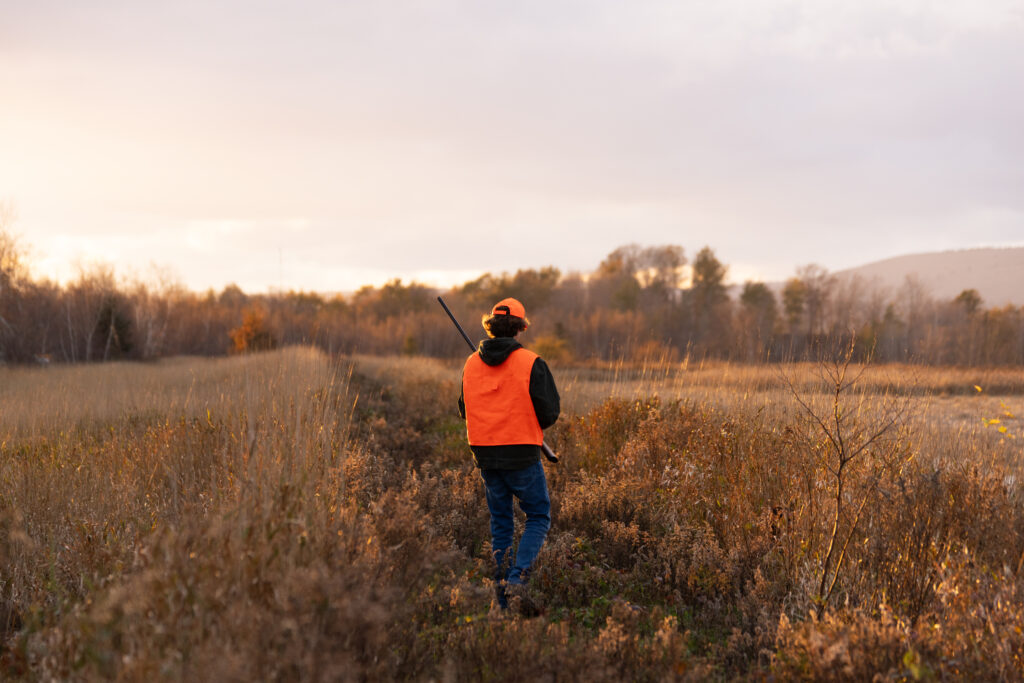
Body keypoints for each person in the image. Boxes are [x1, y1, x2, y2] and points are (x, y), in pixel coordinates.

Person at [458, 297, 560, 612]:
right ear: (519, 328)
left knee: (501, 522)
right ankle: (517, 579)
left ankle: (502, 601)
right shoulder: (531, 362)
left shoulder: (471, 363)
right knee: (538, 516)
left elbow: (464, 409)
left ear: (491, 327)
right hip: (521, 453)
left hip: (485, 455)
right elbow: (549, 412)